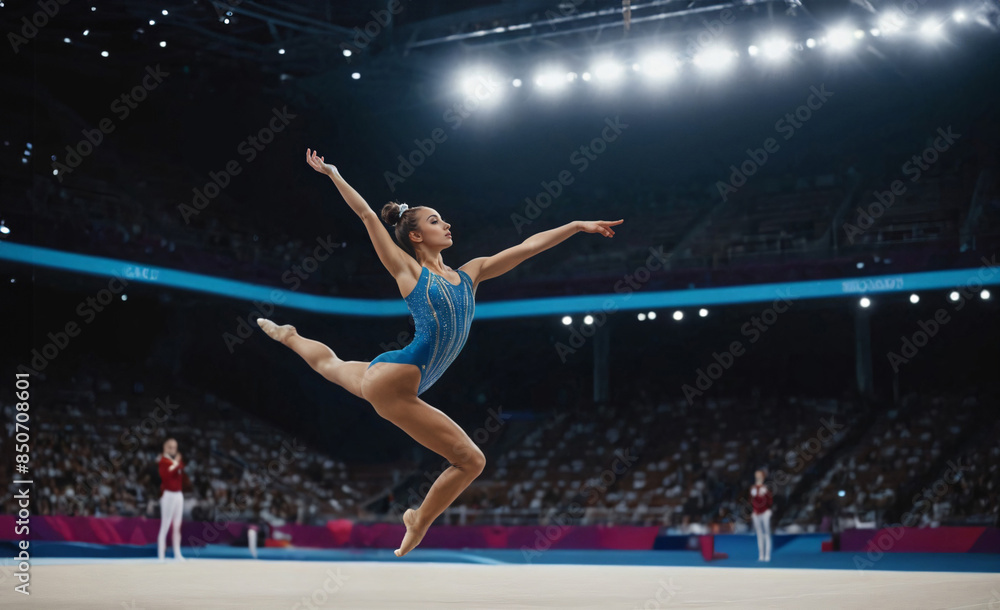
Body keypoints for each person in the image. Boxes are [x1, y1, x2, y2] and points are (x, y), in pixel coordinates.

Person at [258, 148, 623, 557]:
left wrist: (575, 225)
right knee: (471, 461)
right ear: (415, 235)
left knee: (331, 364)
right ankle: (418, 520)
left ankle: (288, 335)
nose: (446, 223)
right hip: (399, 380)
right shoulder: (410, 271)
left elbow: (527, 247)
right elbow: (366, 216)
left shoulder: (471, 273)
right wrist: (333, 174)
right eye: (435, 220)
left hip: (394, 376)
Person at [157, 438, 186, 561]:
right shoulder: (163, 460)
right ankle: (161, 555)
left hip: (178, 494)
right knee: (165, 524)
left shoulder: (174, 461)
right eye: (170, 447)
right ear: (165, 448)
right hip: (168, 495)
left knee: (177, 525)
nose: (173, 450)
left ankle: (177, 553)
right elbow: (167, 475)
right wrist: (177, 463)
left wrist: (177, 463)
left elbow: (180, 468)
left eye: (175, 447)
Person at [750, 469, 773, 562]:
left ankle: (767, 555)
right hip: (756, 513)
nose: (758, 477)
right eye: (757, 475)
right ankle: (761, 555)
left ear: (763, 477)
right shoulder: (753, 488)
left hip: (765, 512)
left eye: (760, 475)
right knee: (759, 534)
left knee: (767, 533)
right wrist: (754, 510)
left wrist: (765, 494)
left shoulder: (765, 488)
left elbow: (770, 501)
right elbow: (751, 501)